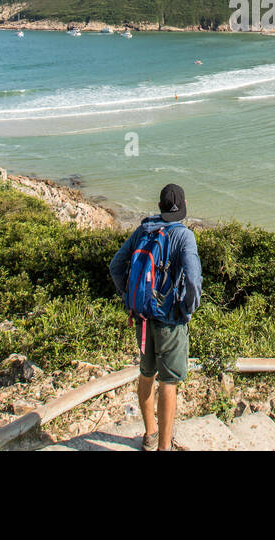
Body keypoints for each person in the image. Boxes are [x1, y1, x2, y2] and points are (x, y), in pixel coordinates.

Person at [109, 183, 203, 451]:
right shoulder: (184, 236)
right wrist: (188, 308)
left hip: (143, 316)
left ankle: (150, 435)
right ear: (185, 206)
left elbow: (116, 266)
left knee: (146, 373)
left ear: (160, 206)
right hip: (170, 320)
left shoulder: (144, 229)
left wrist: (129, 297)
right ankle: (164, 447)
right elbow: (194, 280)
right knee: (169, 382)